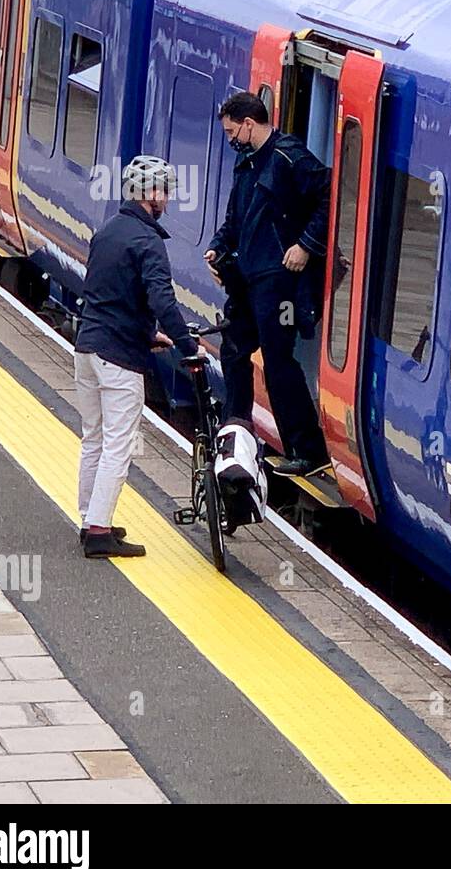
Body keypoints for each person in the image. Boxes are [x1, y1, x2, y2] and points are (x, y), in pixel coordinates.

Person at [74, 157, 199, 559]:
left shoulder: (108, 231)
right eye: (164, 190)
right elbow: (161, 299)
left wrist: (149, 335)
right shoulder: (148, 242)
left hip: (87, 348)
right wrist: (187, 345)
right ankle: (99, 531)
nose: (167, 198)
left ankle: (88, 518)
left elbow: (105, 291)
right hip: (118, 357)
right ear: (151, 194)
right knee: (118, 444)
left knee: (93, 438)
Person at [206, 92, 330, 476]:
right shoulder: (247, 163)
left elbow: (330, 195)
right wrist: (217, 246)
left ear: (249, 123)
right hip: (248, 278)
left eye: (232, 131)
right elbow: (235, 219)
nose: (230, 140)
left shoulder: (289, 156)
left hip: (279, 281)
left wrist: (306, 245)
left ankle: (308, 450)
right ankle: (236, 432)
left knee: (279, 362)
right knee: (233, 349)